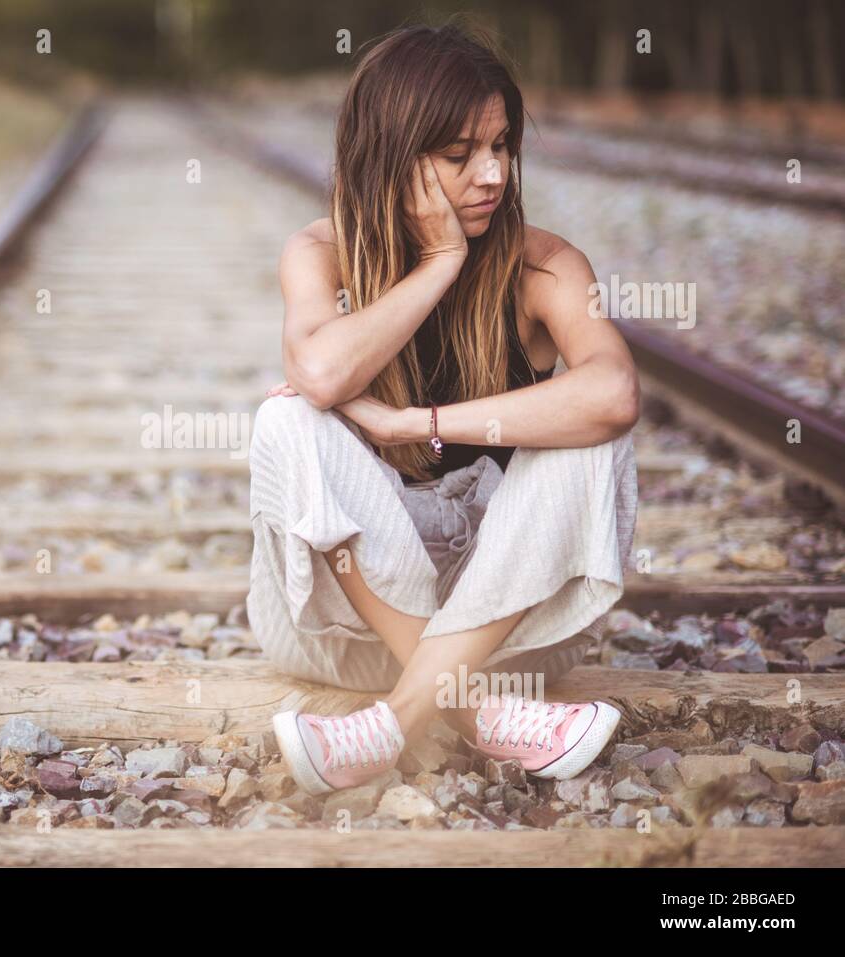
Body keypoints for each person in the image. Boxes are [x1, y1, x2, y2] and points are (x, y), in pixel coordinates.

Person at [247, 22, 640, 796]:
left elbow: (615, 392)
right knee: (284, 419)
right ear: (391, 155)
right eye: (459, 156)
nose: (491, 174)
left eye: (501, 147)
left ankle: (394, 722)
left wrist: (413, 425)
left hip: (507, 630)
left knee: (594, 430)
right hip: (344, 632)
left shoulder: (544, 265)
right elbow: (320, 371)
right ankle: (473, 713)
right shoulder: (321, 254)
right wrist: (439, 262)